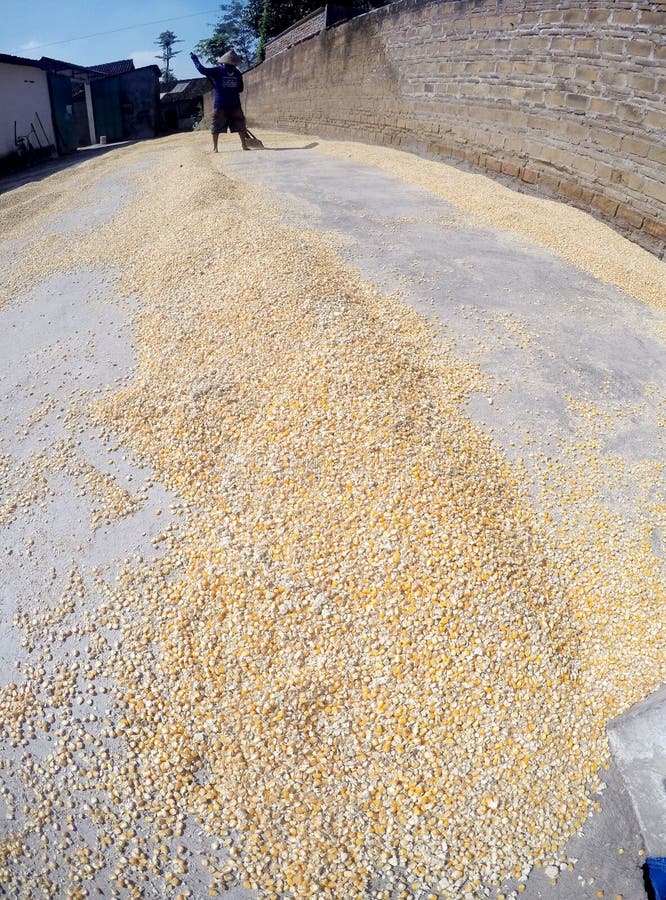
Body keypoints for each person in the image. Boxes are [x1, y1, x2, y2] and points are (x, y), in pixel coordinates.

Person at [190, 50, 249, 152]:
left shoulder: (218, 70)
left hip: (220, 104)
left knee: (216, 125)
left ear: (224, 61)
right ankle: (244, 145)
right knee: (240, 123)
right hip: (235, 104)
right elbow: (240, 89)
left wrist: (195, 59)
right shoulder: (238, 73)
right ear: (235, 62)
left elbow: (202, 70)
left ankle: (215, 148)